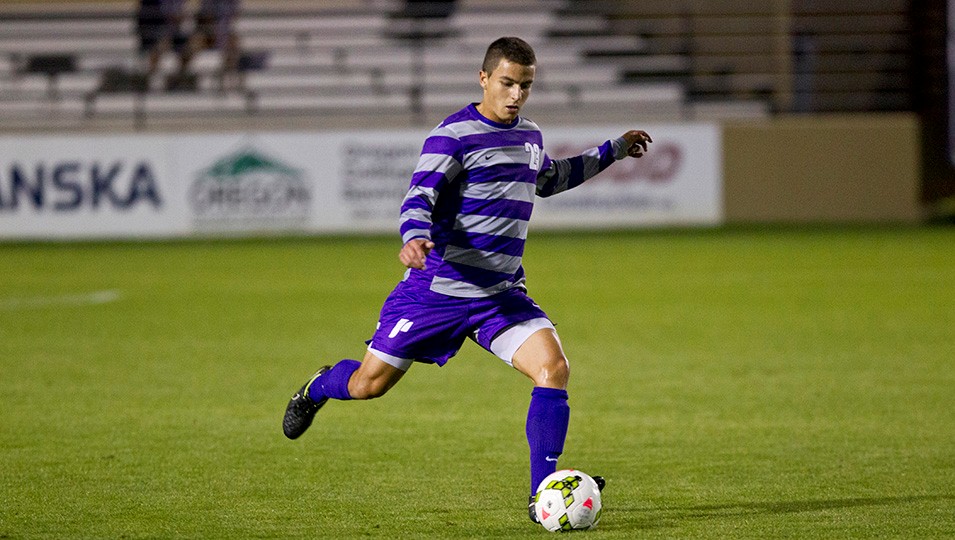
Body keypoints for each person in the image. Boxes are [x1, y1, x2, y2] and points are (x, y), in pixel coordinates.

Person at [282, 36, 652, 524]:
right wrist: (413, 237)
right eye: (507, 83)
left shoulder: (530, 136)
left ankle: (542, 494)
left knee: (554, 369)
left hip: (499, 296)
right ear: (484, 79)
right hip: (434, 293)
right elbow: (418, 197)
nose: (516, 94)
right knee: (368, 385)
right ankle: (316, 389)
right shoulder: (452, 135)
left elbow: (552, 177)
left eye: (526, 85)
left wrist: (614, 150)